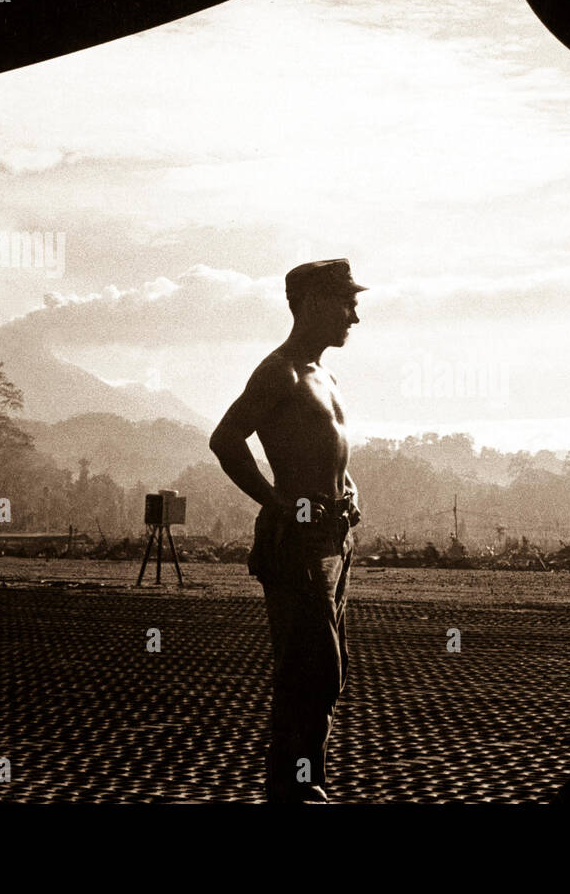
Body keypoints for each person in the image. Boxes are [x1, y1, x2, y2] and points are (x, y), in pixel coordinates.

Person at [209, 258, 365, 803]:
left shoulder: (325, 375)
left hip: (333, 544)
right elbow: (225, 440)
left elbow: (328, 457)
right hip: (298, 545)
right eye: (347, 302)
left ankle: (307, 781)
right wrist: (278, 504)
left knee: (329, 669)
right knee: (310, 667)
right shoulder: (279, 372)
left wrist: (349, 491)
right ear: (314, 303)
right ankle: (293, 788)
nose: (355, 315)